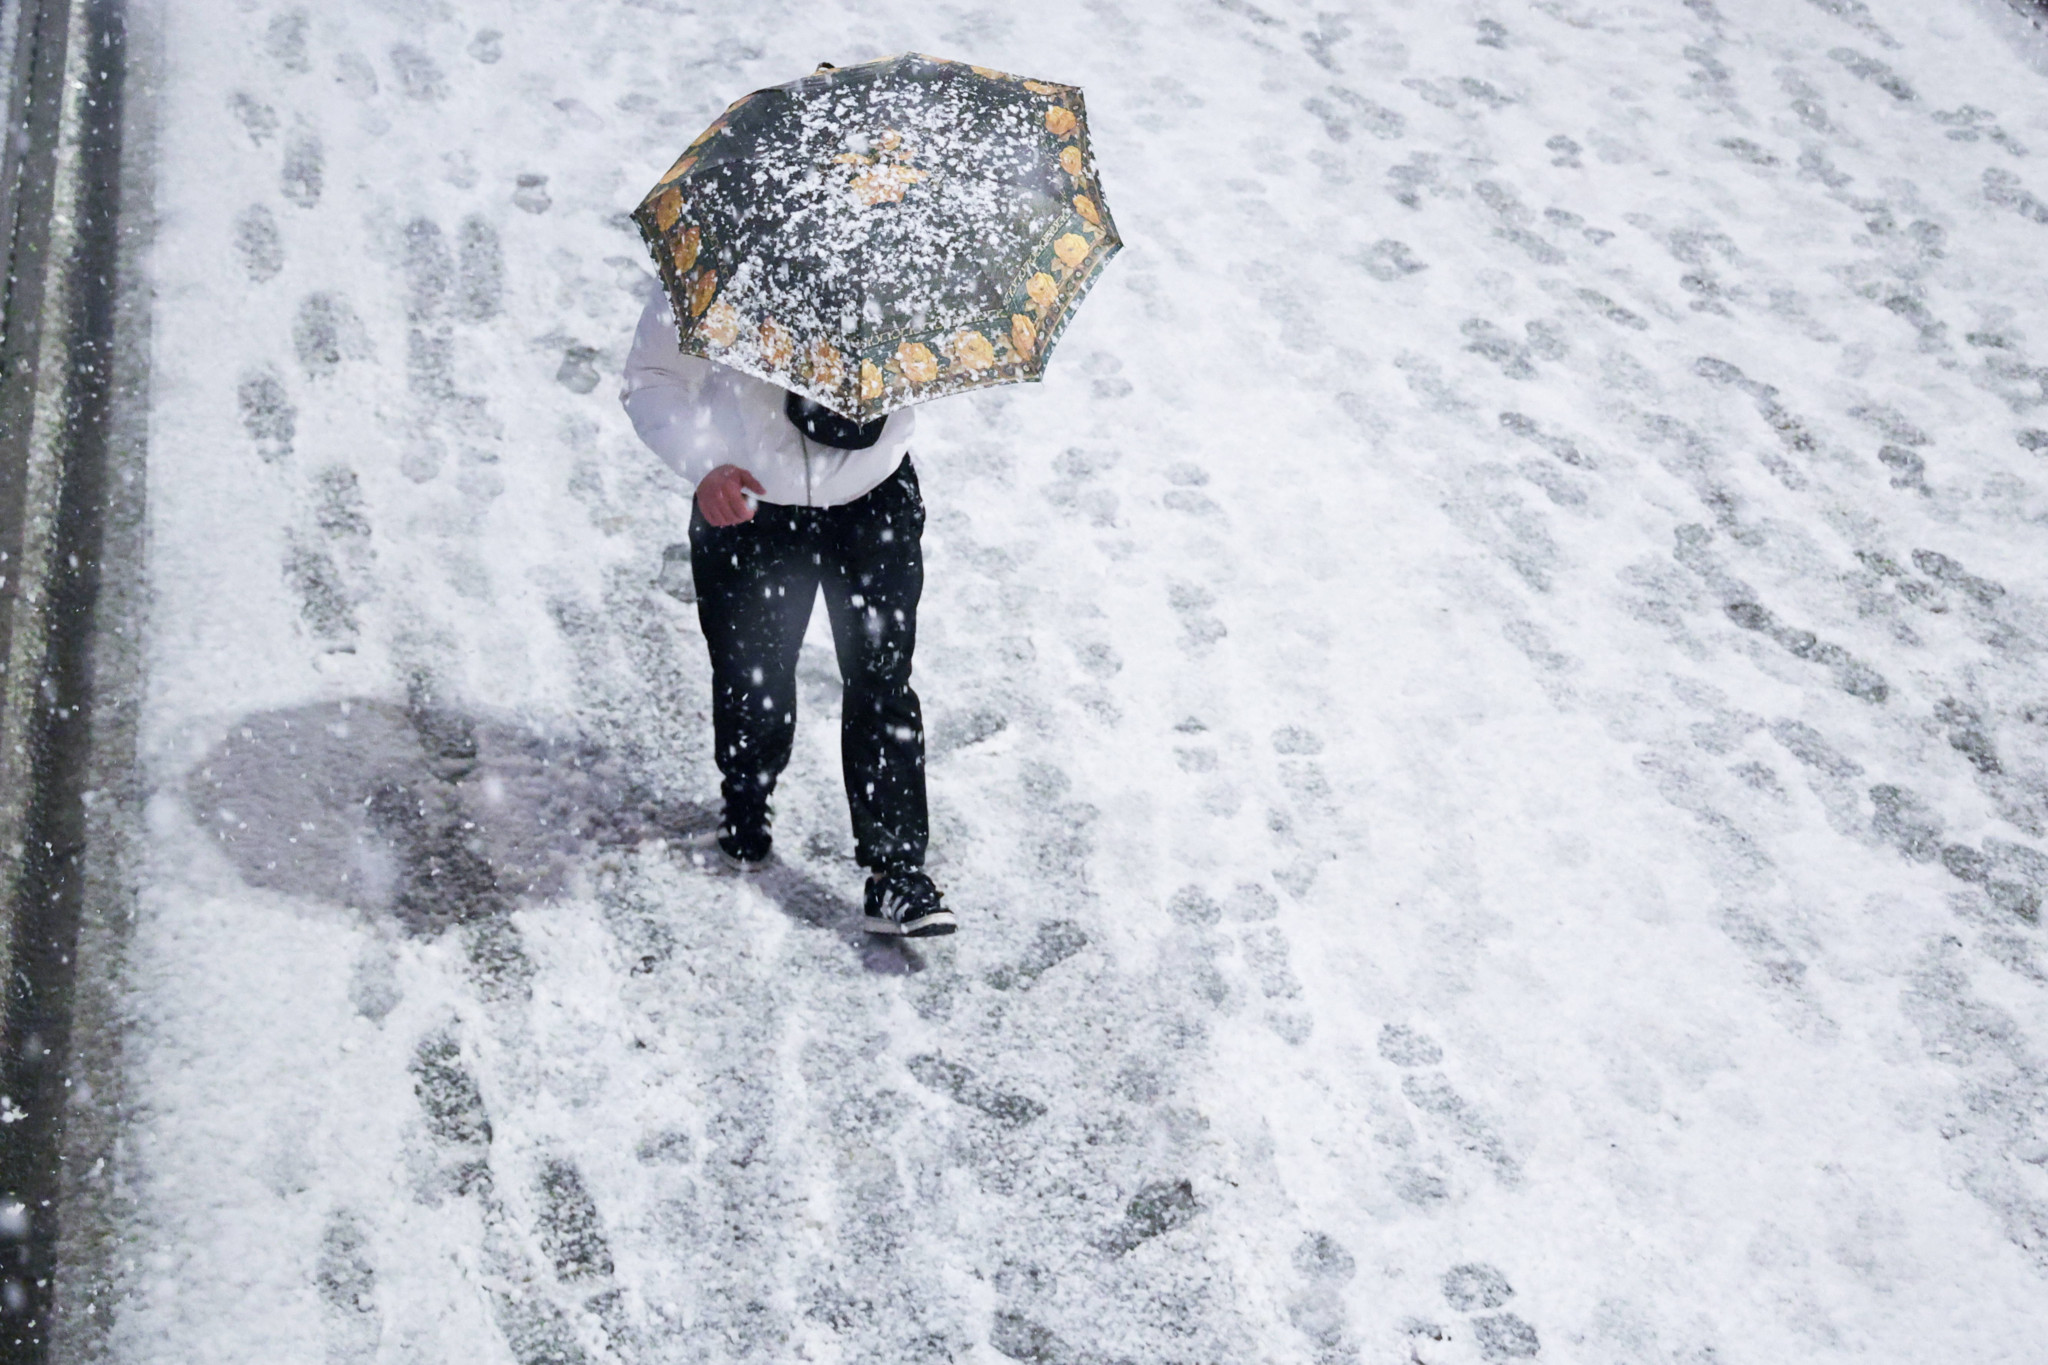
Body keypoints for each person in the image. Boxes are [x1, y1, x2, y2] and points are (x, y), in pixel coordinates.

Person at [619, 295, 955, 937]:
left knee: (882, 681)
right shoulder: (719, 260)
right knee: (753, 675)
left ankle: (896, 871)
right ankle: (747, 789)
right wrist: (704, 465)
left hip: (873, 498)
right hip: (750, 506)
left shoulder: (894, 263)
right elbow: (653, 377)